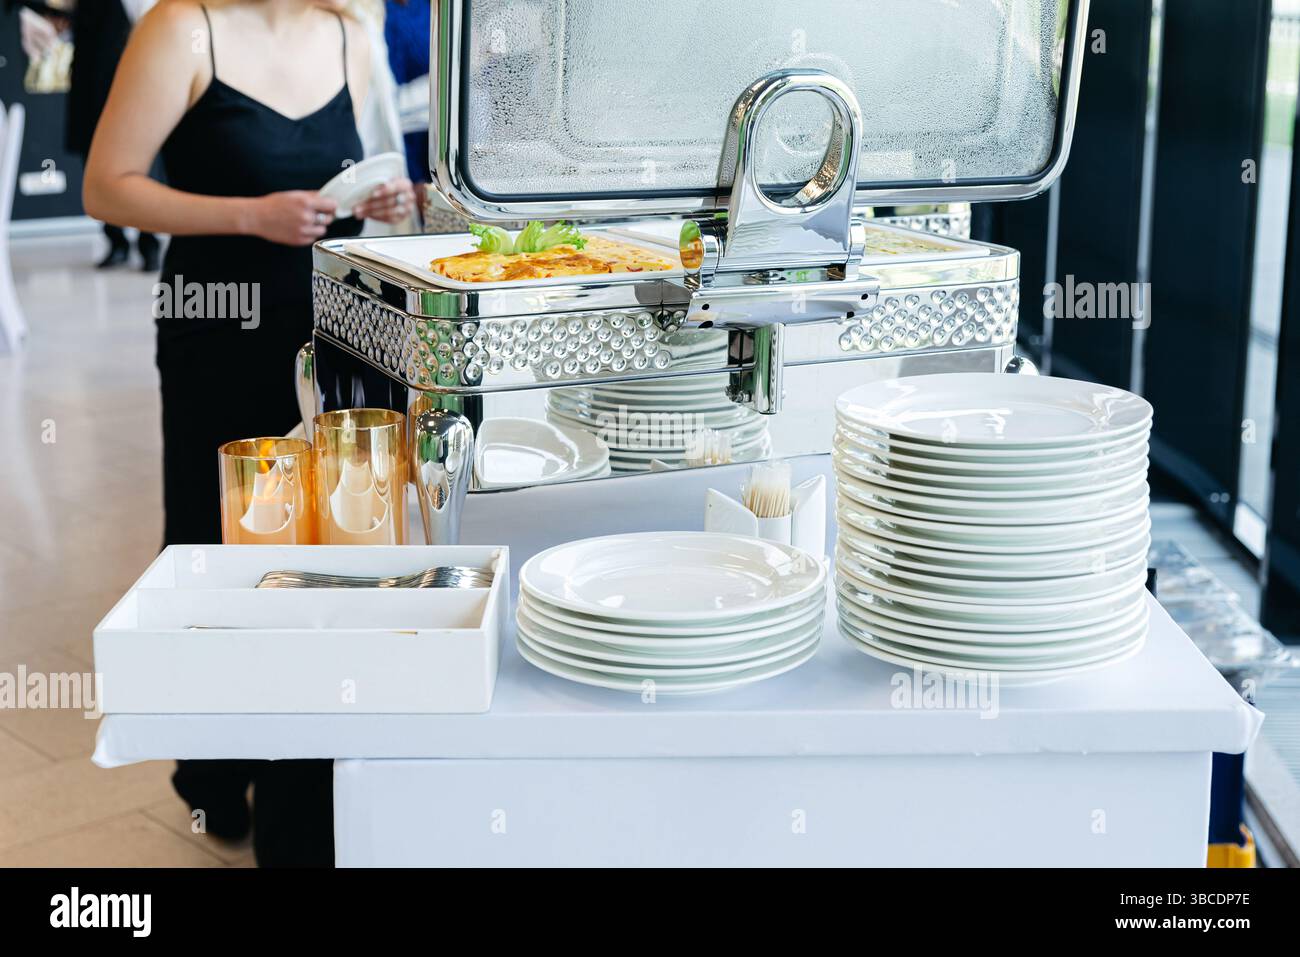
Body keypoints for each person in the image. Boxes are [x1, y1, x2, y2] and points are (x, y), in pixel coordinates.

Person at [83, 0, 415, 867]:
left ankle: (300, 779)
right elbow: (107, 185)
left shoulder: (348, 30)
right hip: (217, 328)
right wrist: (251, 214)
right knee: (221, 546)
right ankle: (215, 772)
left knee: (322, 552)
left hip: (335, 331)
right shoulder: (181, 27)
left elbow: (353, 198)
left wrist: (382, 202)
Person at [65, 0, 163, 270]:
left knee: (143, 167)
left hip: (134, 84)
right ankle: (115, 240)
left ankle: (149, 242)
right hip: (90, 81)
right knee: (94, 159)